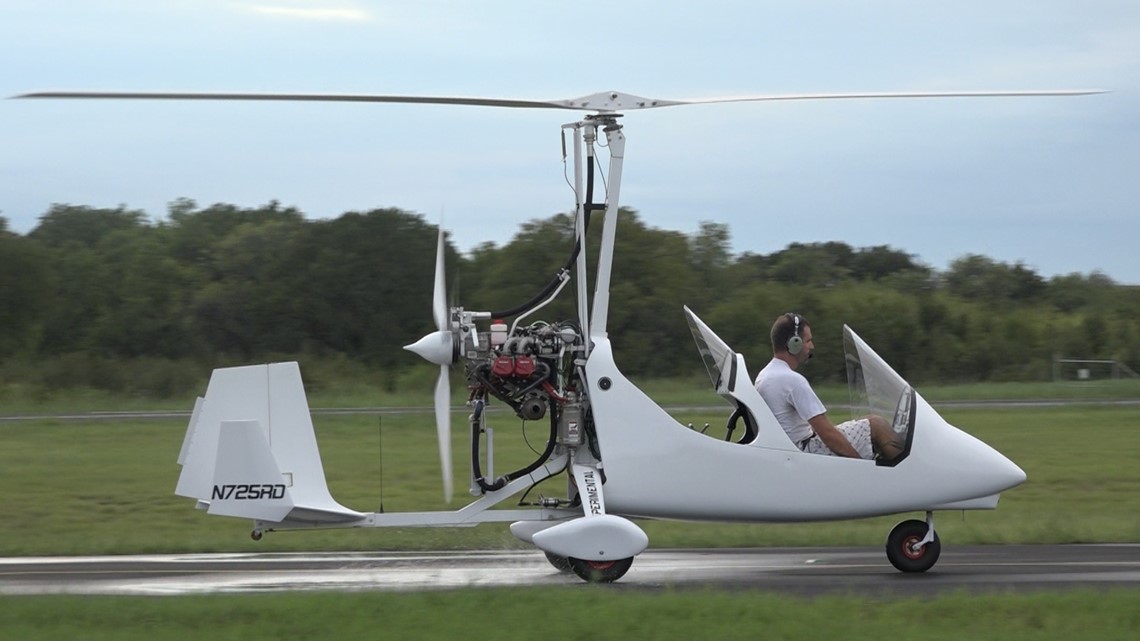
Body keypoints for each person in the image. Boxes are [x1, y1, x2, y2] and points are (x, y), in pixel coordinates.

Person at [754, 313, 903, 461]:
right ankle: (909, 471)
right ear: (795, 343)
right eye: (808, 341)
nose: (812, 346)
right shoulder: (792, 381)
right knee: (876, 425)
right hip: (805, 450)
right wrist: (858, 465)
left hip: (791, 448)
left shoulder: (764, 375)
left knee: (866, 421)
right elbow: (827, 434)